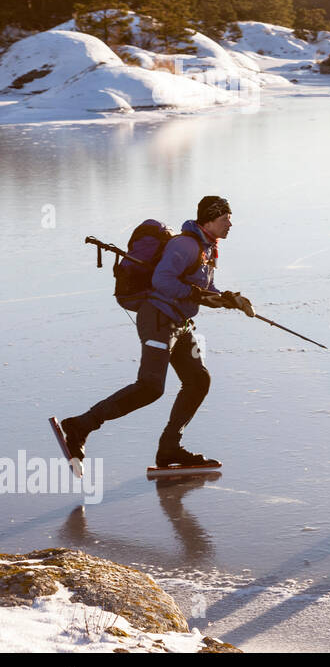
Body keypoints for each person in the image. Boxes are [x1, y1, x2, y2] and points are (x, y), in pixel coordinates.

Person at [55, 196, 255, 469]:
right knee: (150, 387)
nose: (230, 224)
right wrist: (197, 294)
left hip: (180, 323)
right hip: (158, 319)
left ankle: (170, 448)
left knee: (198, 380)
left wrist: (231, 299)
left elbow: (203, 287)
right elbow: (163, 281)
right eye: (225, 219)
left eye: (230, 218)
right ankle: (80, 425)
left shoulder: (207, 248)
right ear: (209, 220)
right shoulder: (185, 245)